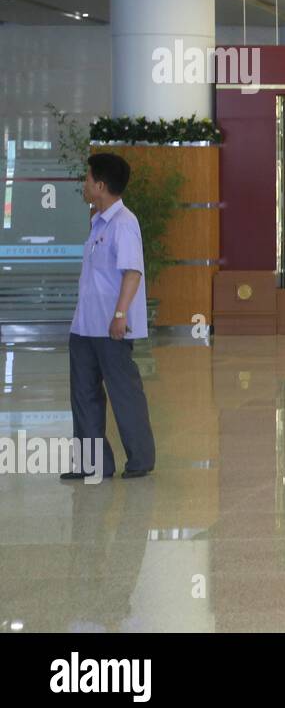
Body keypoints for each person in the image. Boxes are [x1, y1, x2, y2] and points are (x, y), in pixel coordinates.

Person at [64, 153, 155, 482]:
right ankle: (93, 464)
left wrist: (120, 315)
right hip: (84, 324)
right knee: (84, 395)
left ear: (100, 185)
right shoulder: (98, 221)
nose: (84, 184)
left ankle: (140, 460)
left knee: (123, 393)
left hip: (111, 326)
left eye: (87, 179)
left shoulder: (124, 223)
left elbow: (132, 273)